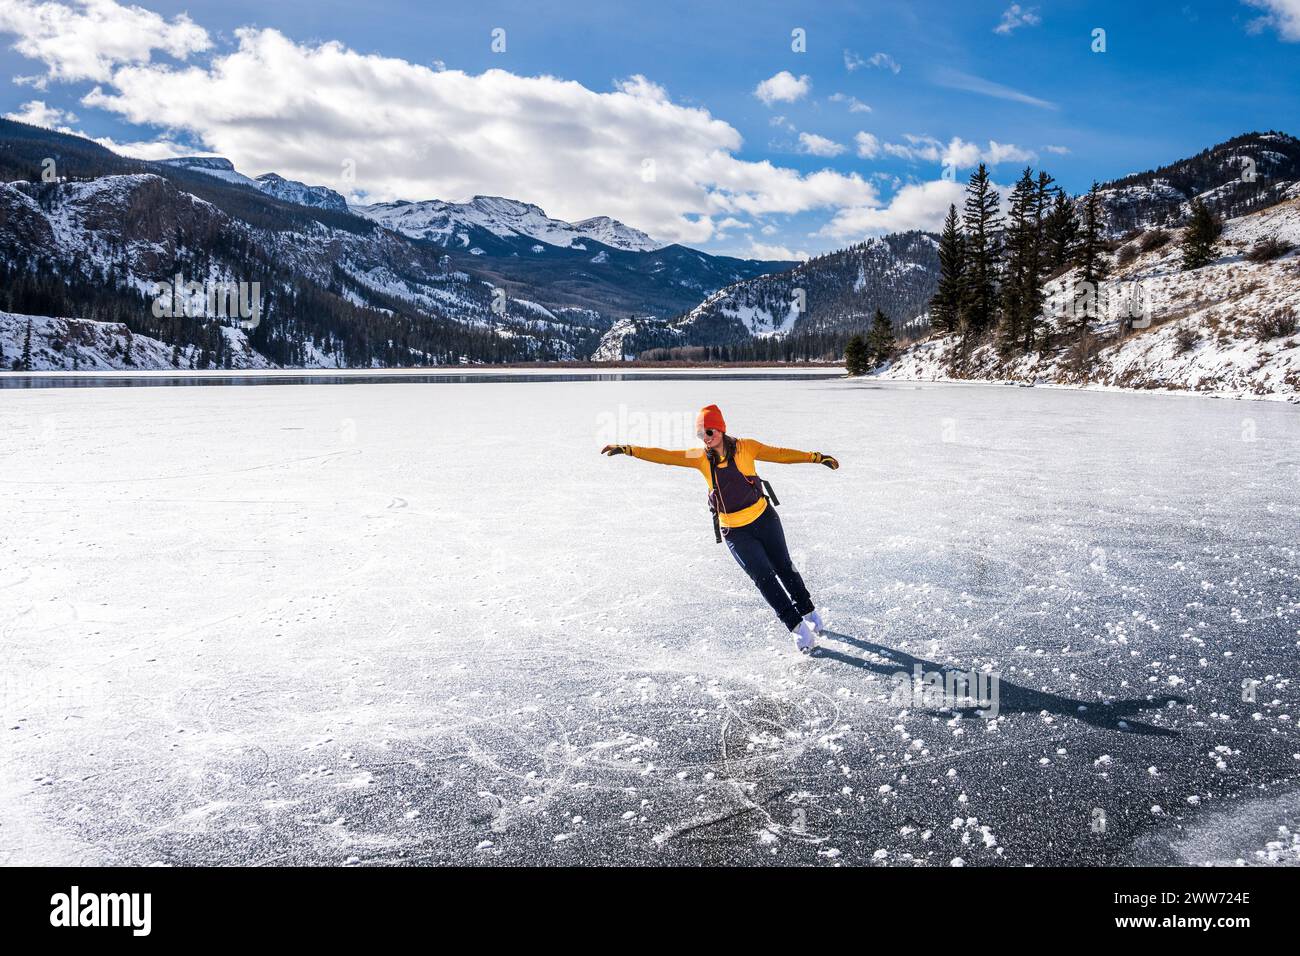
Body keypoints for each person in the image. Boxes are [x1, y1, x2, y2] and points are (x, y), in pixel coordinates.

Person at [601, 403, 839, 653]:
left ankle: (809, 612)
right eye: (700, 434)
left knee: (784, 567)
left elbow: (781, 454)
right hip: (735, 531)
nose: (705, 439)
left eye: (709, 432)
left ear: (722, 430)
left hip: (764, 519)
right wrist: (629, 449)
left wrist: (816, 457)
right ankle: (797, 628)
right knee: (764, 579)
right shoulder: (700, 458)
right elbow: (665, 456)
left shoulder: (747, 447)